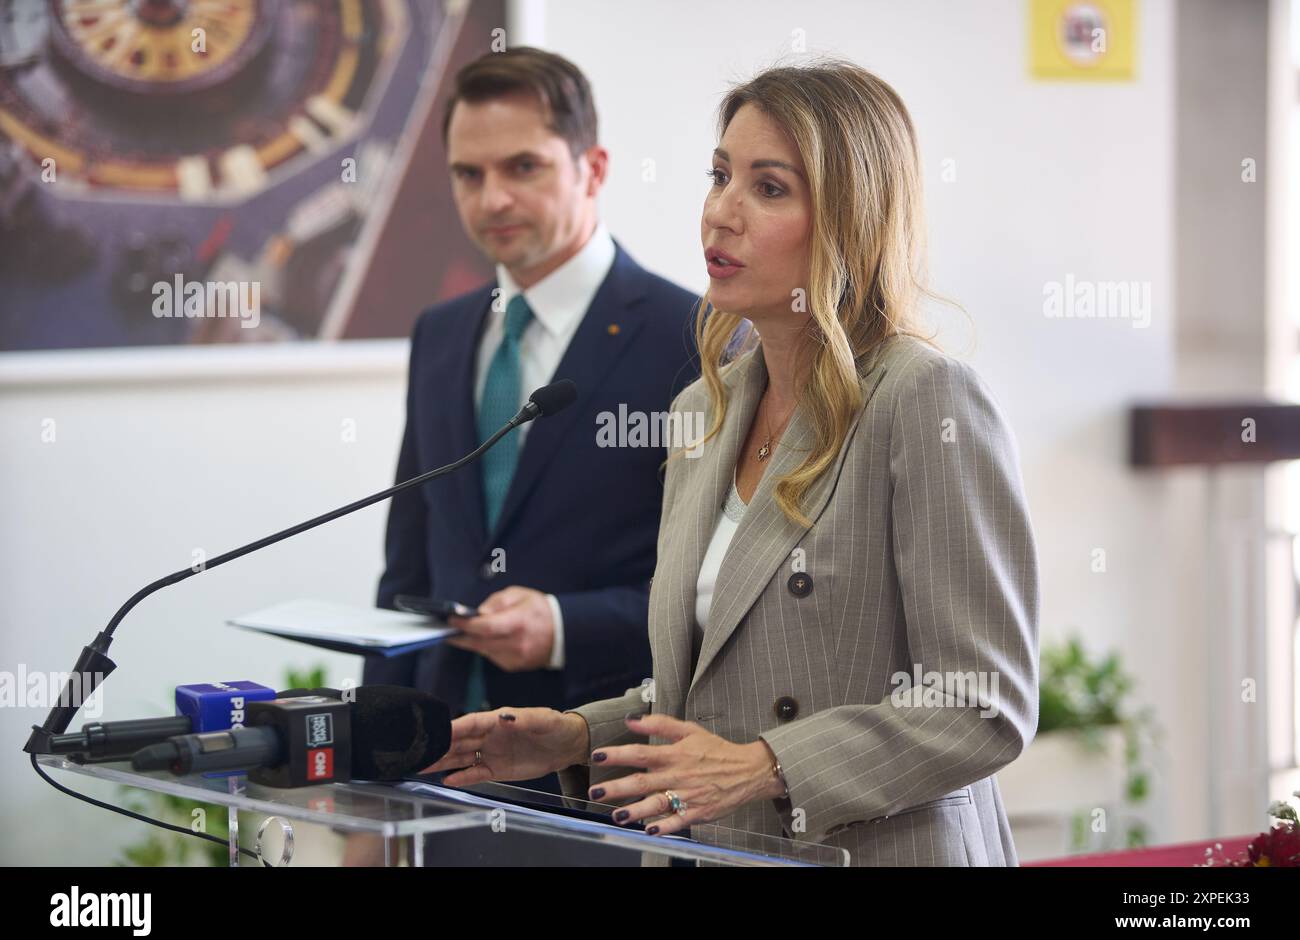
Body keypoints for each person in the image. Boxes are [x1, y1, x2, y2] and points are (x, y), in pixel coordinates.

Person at [425, 59, 1040, 867]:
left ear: (850, 220)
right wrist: (574, 737)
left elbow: (982, 704)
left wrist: (767, 766)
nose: (721, 213)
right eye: (719, 176)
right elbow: (709, 690)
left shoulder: (925, 399)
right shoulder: (701, 414)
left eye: (769, 188)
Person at [345, 47, 698, 866]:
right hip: (438, 770)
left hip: (605, 777)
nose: (492, 198)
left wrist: (566, 625)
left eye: (523, 167)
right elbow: (406, 572)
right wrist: (368, 786)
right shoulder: (441, 333)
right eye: (468, 174)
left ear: (593, 167)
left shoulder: (695, 340)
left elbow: (722, 596)